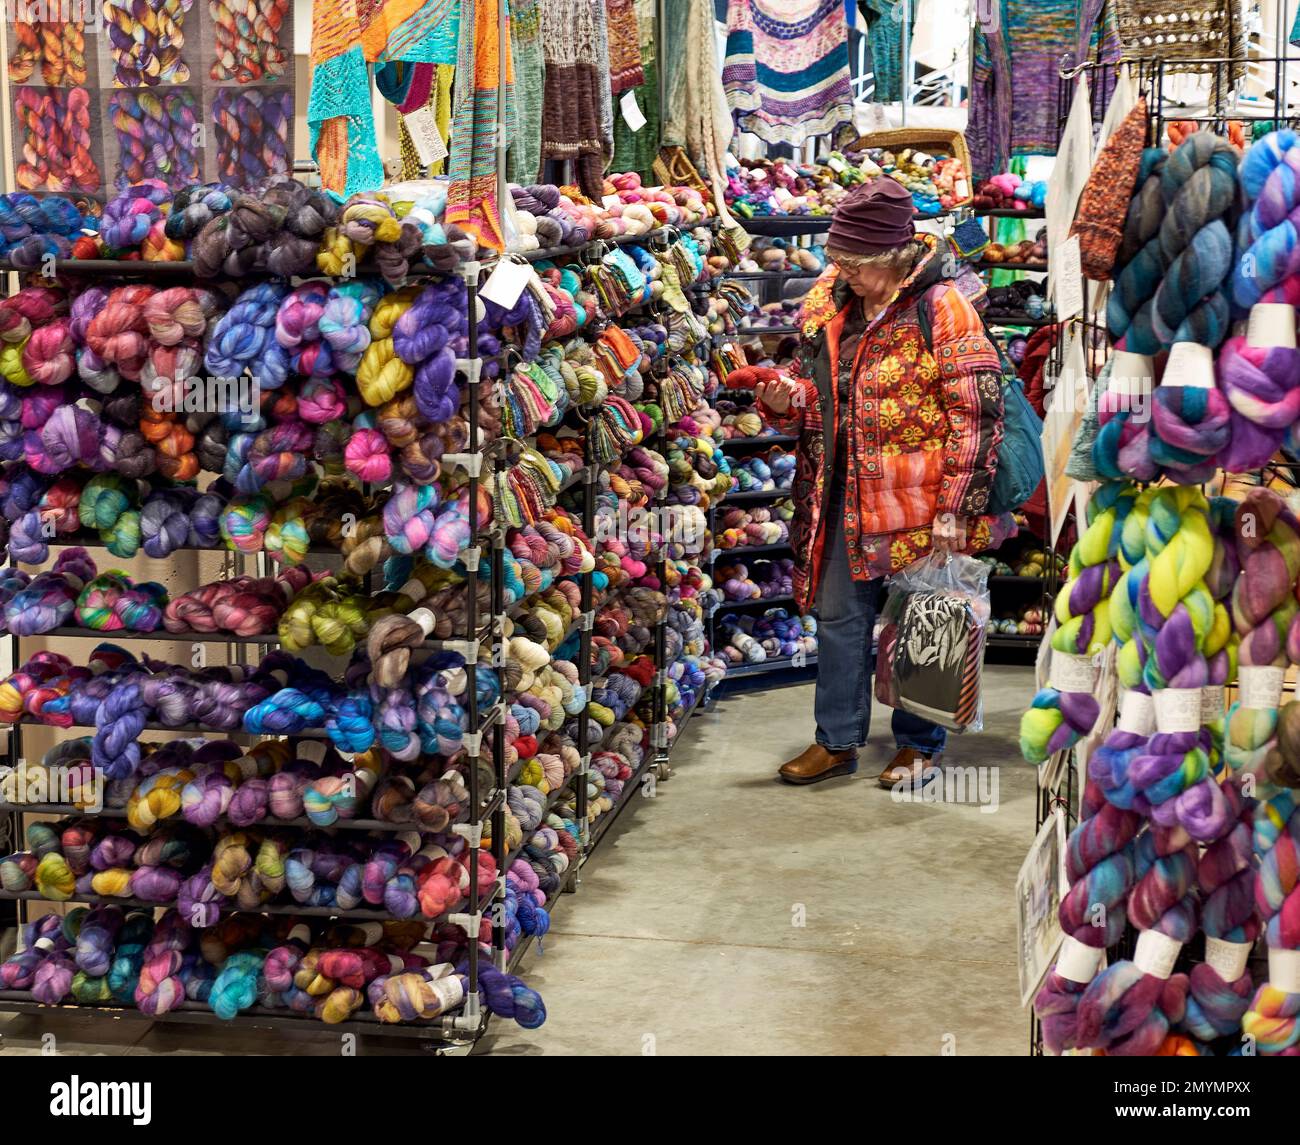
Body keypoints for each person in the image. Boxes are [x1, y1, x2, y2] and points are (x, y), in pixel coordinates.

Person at [728, 178, 1007, 787]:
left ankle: (918, 745)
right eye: (839, 261)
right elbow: (813, 392)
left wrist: (959, 504)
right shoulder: (830, 302)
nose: (844, 272)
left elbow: (978, 412)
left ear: (894, 257)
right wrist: (784, 396)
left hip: (921, 498)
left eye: (856, 263)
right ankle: (837, 740)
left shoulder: (942, 307)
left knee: (924, 617)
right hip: (836, 493)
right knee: (839, 618)